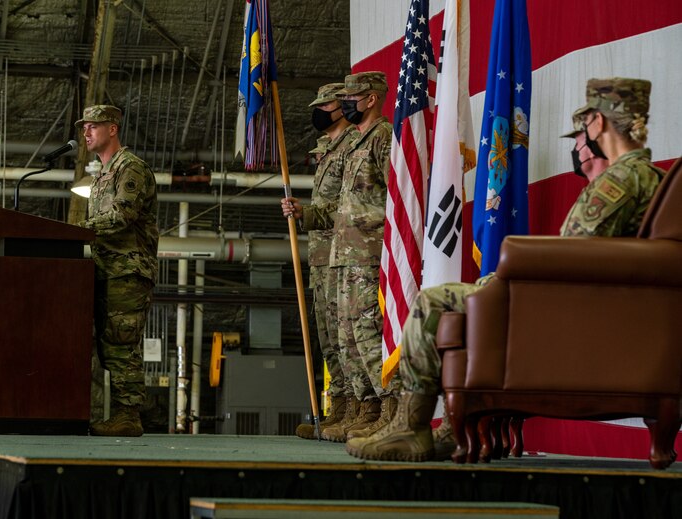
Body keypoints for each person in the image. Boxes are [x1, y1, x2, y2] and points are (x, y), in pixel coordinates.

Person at [346, 77, 664, 461]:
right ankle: (450, 428)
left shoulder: (618, 181)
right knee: (466, 298)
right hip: (590, 310)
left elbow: (572, 258)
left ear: (597, 122)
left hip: (562, 309)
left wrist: (507, 277)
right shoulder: (652, 178)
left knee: (432, 300)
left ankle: (412, 428)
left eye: (584, 126)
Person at [283, 71, 401, 442]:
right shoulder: (356, 144)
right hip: (343, 251)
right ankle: (361, 407)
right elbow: (343, 206)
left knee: (365, 333)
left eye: (352, 98)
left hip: (367, 250)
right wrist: (309, 215)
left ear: (370, 98)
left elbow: (396, 196)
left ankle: (388, 408)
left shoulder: (380, 137)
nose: (347, 104)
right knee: (345, 337)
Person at [75, 105, 159, 437]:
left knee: (122, 346)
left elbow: (122, 216)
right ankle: (116, 413)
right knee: (107, 347)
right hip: (106, 270)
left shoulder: (131, 168)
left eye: (93, 126)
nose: (86, 132)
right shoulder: (102, 176)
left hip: (127, 272)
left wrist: (79, 229)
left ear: (112, 129)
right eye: (84, 127)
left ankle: (129, 415)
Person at [281, 82, 356, 439]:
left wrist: (308, 214)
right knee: (328, 338)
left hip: (345, 253)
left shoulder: (352, 146)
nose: (319, 111)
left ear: (341, 106)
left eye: (325, 105)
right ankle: (339, 408)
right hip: (323, 255)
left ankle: (358, 408)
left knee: (348, 336)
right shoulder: (327, 148)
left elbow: (354, 202)